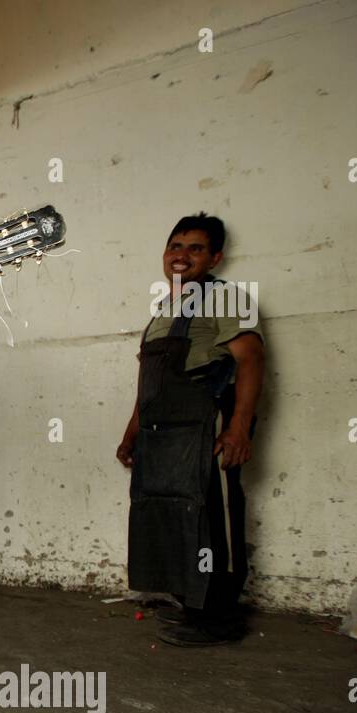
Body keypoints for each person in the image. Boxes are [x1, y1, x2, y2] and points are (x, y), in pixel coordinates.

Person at [116, 213, 265, 647]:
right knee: (174, 517)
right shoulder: (164, 310)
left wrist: (237, 428)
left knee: (212, 519)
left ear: (215, 257)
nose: (182, 256)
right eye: (175, 246)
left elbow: (251, 360)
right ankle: (194, 608)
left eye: (195, 248)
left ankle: (219, 619)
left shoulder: (225, 298)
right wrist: (132, 433)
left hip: (206, 424)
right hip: (164, 433)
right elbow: (151, 381)